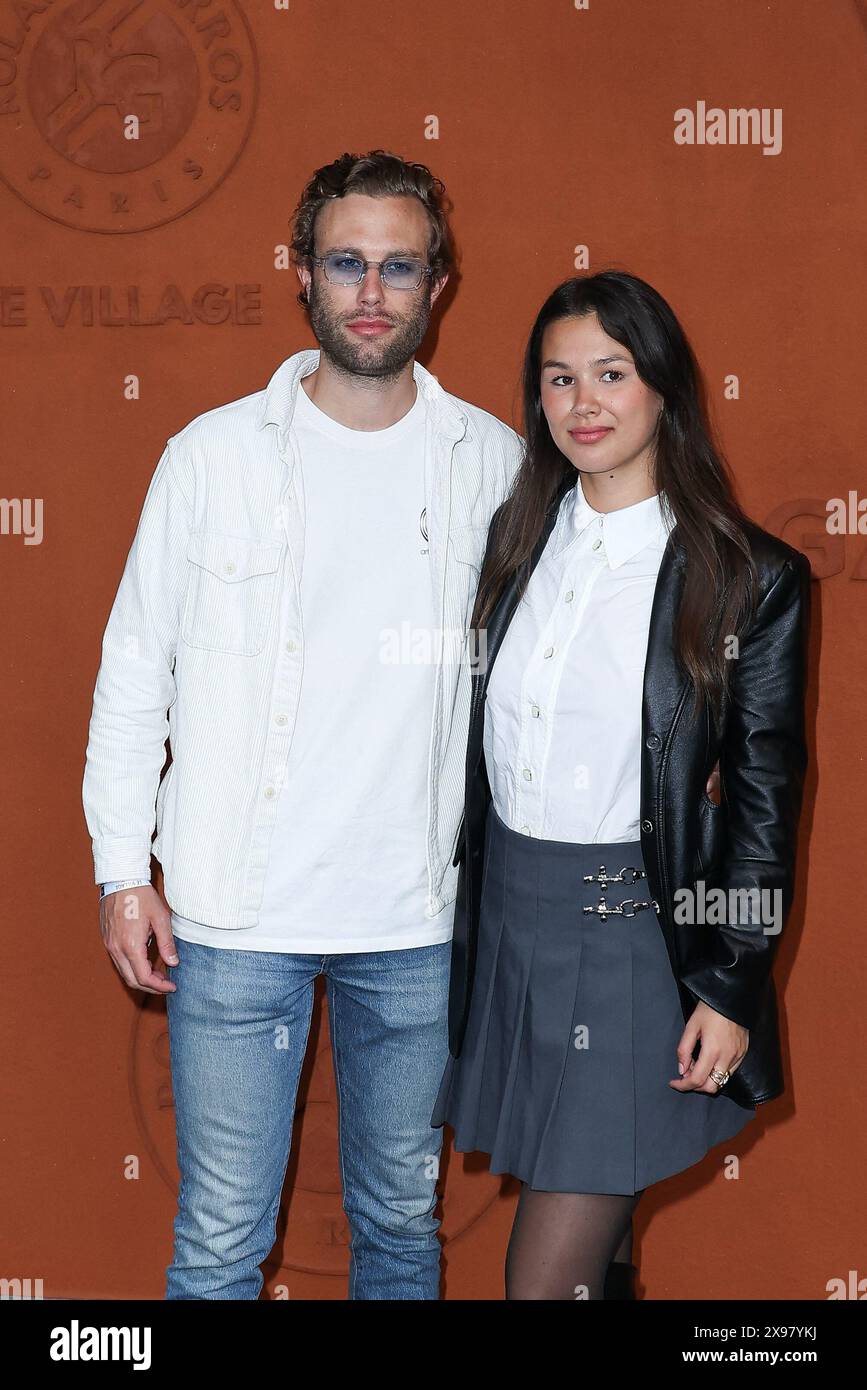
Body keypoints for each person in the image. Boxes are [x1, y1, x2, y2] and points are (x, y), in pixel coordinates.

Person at [82, 150, 522, 1299]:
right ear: (302, 274)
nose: (371, 290)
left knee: (399, 1228)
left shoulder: (495, 466)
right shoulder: (212, 458)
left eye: (399, 265)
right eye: (345, 262)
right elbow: (136, 672)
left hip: (420, 922)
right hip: (235, 915)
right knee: (222, 1239)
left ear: (440, 283)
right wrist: (123, 871)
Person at [432, 270, 812, 1300]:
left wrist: (732, 980)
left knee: (543, 1280)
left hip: (634, 948)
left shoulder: (748, 576)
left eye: (611, 371)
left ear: (663, 389)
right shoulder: (511, 545)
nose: (583, 402)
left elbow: (767, 800)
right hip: (509, 933)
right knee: (600, 1255)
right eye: (559, 379)